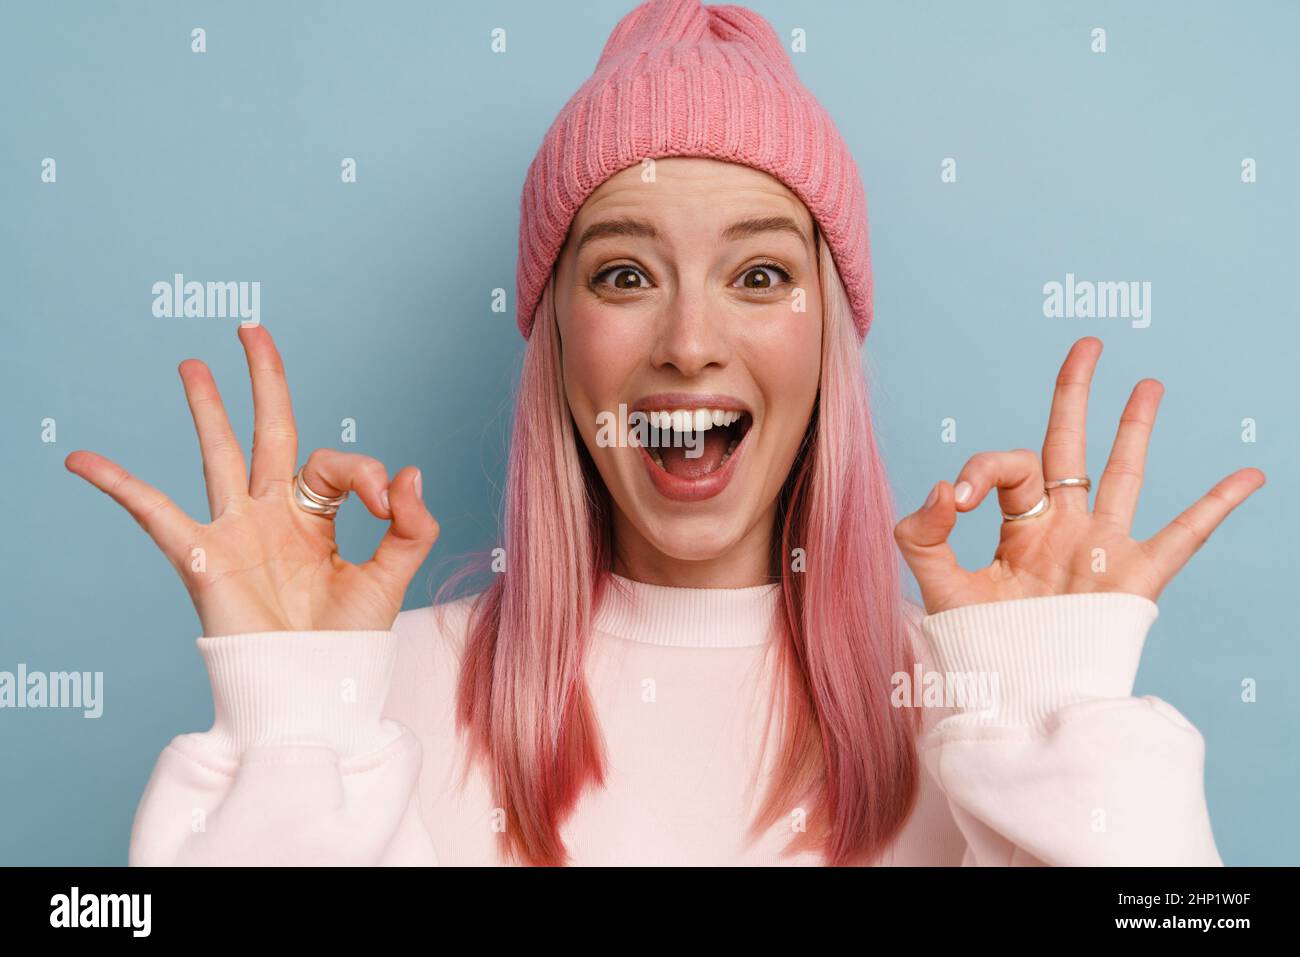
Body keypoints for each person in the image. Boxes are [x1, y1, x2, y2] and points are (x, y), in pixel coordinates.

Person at [67, 0, 1263, 866]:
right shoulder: (365, 700)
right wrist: (291, 712)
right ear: (556, 336)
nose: (689, 342)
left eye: (756, 274)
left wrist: (1064, 706)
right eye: (626, 274)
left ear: (828, 343)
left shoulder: (984, 706)